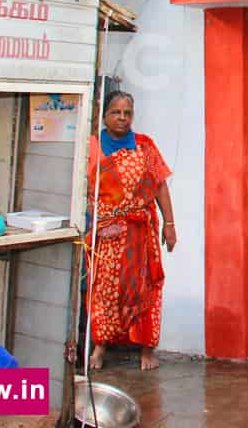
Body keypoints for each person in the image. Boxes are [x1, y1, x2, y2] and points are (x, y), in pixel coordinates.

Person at [86, 91, 177, 371]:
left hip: (141, 232)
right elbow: (82, 189)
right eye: (116, 112)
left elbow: (160, 185)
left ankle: (146, 349)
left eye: (127, 113)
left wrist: (170, 225)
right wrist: (95, 224)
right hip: (107, 234)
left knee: (144, 289)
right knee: (104, 291)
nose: (122, 118)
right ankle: (100, 346)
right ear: (105, 115)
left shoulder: (145, 146)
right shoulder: (91, 147)